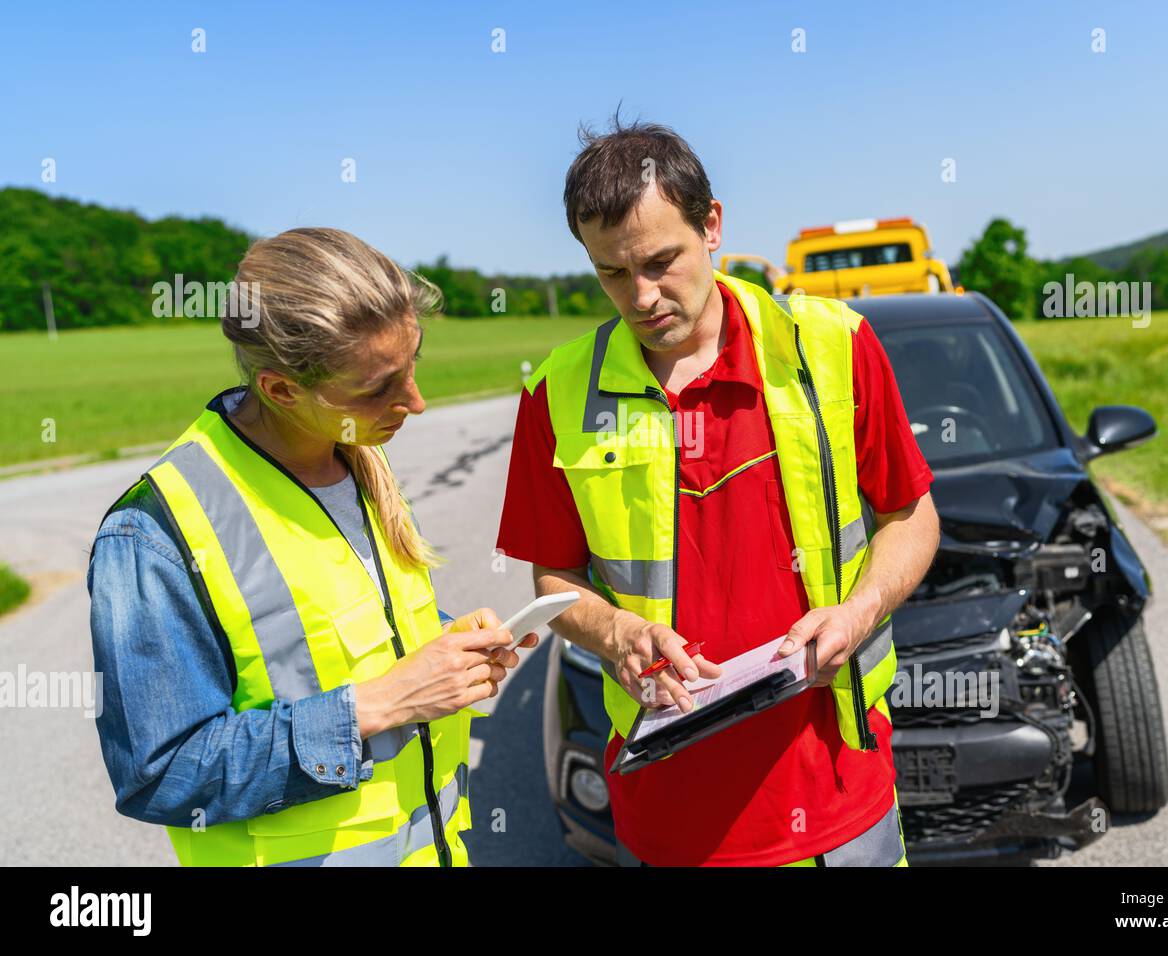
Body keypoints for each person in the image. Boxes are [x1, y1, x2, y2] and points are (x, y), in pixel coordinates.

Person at [496, 120, 940, 866]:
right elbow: (553, 580)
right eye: (611, 273)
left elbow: (912, 516)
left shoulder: (832, 345)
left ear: (712, 226)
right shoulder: (555, 394)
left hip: (837, 784)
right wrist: (619, 636)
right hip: (671, 806)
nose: (641, 297)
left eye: (660, 261)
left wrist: (861, 612)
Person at [89, 227, 537, 867]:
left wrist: (446, 645)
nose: (415, 400)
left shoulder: (357, 460)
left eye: (413, 364)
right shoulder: (154, 533)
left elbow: (318, 648)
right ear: (279, 390)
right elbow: (160, 773)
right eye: (379, 386)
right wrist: (379, 705)